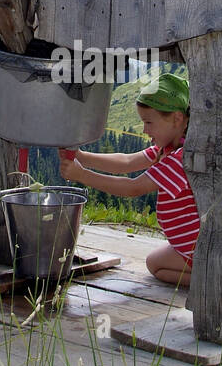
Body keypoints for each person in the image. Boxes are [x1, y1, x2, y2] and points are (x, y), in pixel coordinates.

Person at [58, 73, 197, 286]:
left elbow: (133, 188)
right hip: (187, 244)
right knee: (155, 263)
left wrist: (82, 175)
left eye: (149, 122)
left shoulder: (180, 159)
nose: (145, 130)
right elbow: (127, 161)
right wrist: (81, 156)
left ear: (177, 118)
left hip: (194, 248)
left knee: (155, 265)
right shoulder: (167, 149)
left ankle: (207, 279)